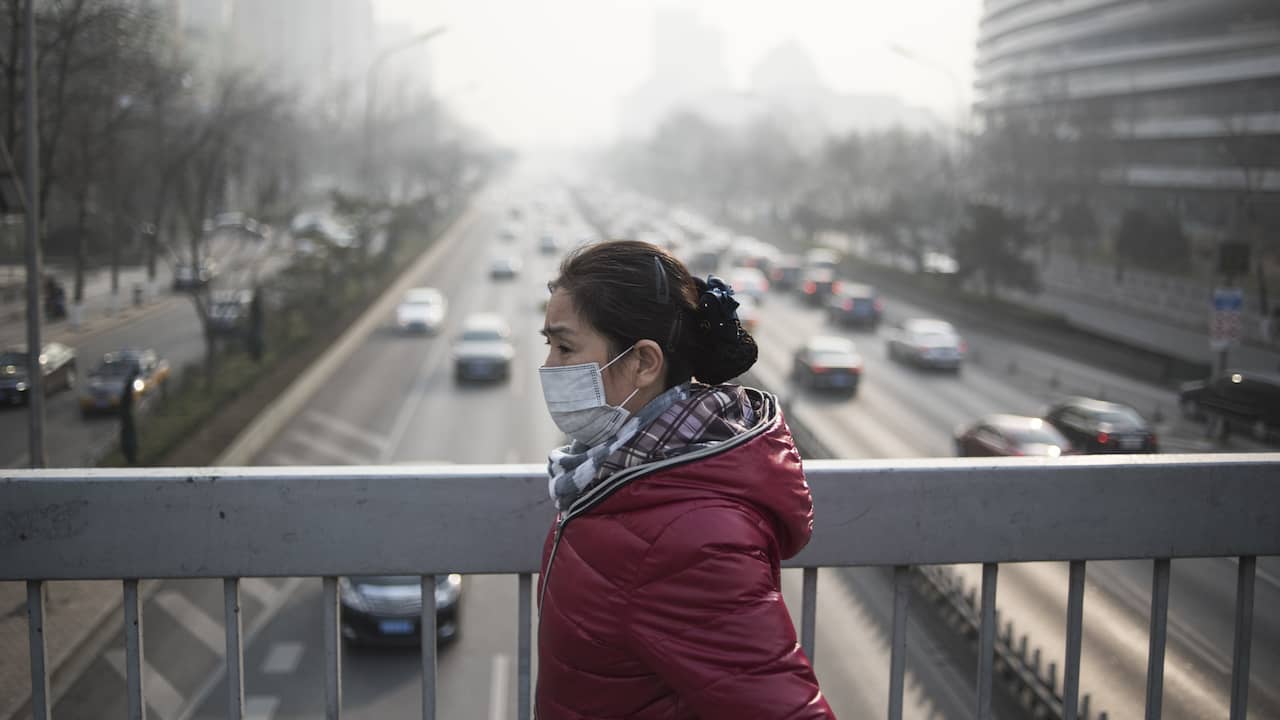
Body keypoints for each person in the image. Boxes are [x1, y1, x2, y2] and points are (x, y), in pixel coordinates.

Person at [536, 240, 834, 719]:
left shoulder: (688, 539)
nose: (549, 367)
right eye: (548, 345)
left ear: (644, 362)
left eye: (565, 347)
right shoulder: (619, 480)